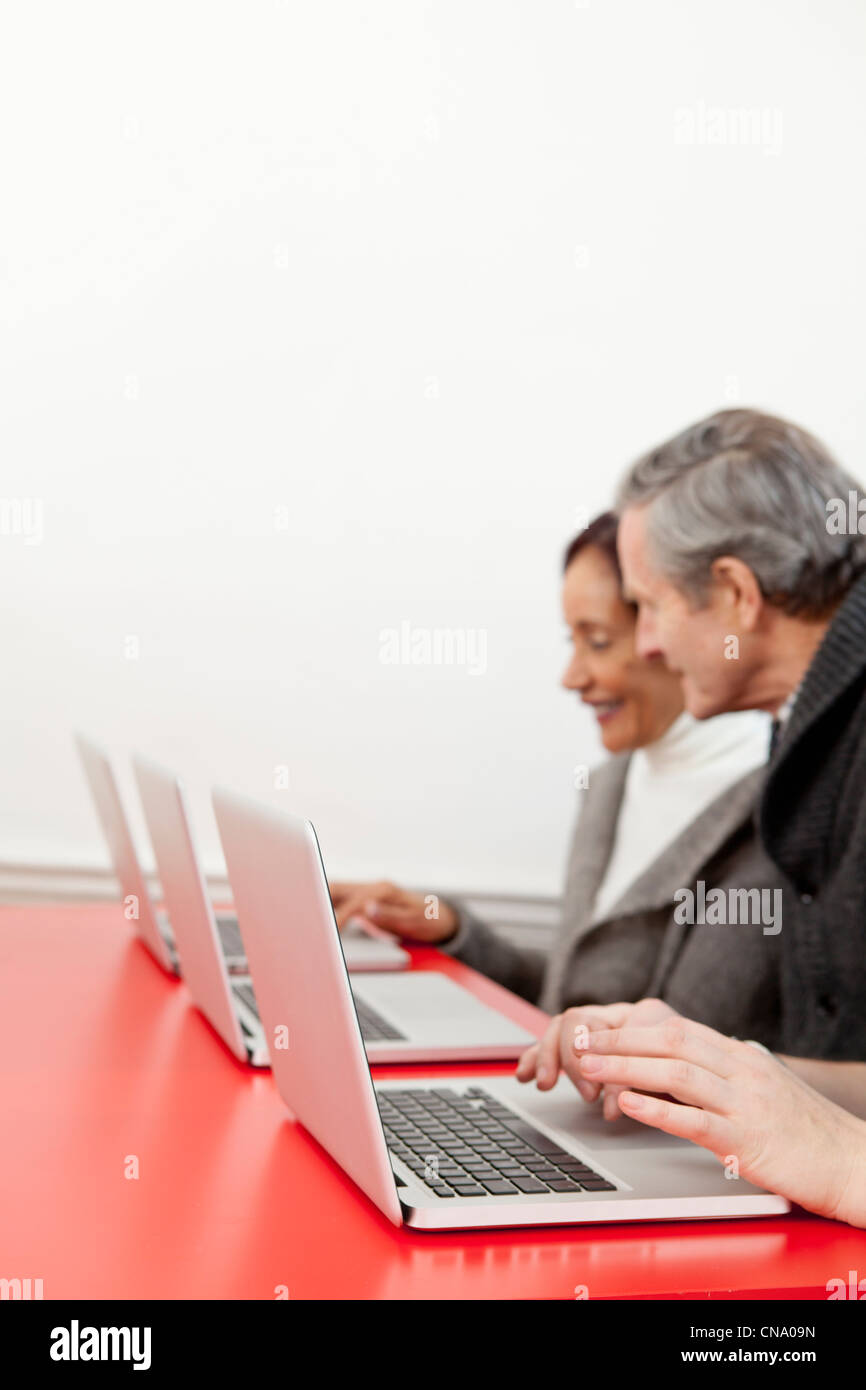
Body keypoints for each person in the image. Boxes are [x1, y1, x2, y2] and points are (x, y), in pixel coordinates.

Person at [521, 407, 866, 1150]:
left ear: (737, 595)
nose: (647, 645)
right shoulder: (809, 731)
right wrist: (692, 1061)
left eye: (646, 607)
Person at [332, 513, 785, 1075]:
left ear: (665, 628)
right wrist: (452, 929)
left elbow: (687, 1058)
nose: (572, 676)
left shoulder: (775, 819)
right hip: (562, 1110)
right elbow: (569, 1000)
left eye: (597, 641)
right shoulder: (611, 784)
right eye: (572, 641)